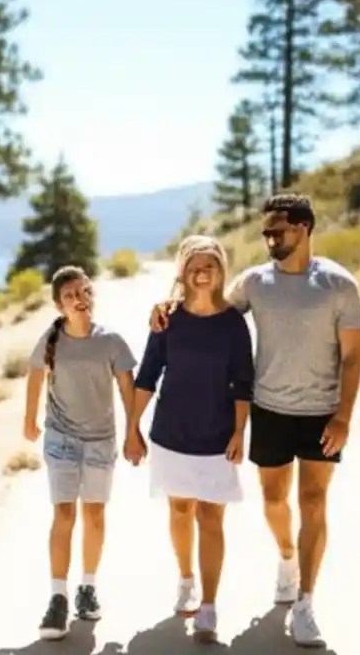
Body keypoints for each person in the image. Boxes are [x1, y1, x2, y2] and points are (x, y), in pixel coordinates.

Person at [148, 193, 360, 649]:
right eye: (265, 232)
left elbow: (352, 357)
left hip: (321, 411)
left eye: (277, 231)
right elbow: (206, 307)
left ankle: (305, 601)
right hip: (268, 408)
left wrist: (343, 416)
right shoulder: (254, 283)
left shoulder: (339, 285)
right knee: (273, 501)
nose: (269, 239)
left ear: (303, 228)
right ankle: (287, 556)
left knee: (313, 500)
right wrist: (166, 306)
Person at [128, 235, 253, 644]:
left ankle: (210, 607)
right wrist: (132, 427)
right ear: (183, 272)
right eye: (194, 266)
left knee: (211, 518)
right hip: (170, 434)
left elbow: (242, 382)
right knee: (180, 510)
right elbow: (147, 376)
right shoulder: (168, 319)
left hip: (217, 436)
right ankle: (186, 580)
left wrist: (239, 431)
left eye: (210, 266)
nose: (202, 274)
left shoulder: (233, 322)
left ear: (220, 271)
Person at [24, 264, 138, 641]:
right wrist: (30, 418)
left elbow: (127, 389)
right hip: (61, 439)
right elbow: (36, 374)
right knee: (64, 514)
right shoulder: (51, 339)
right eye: (70, 296)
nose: (80, 299)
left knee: (94, 514)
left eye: (84, 291)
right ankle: (57, 596)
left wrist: (134, 432)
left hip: (101, 440)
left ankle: (87, 587)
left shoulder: (112, 342)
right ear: (60, 306)